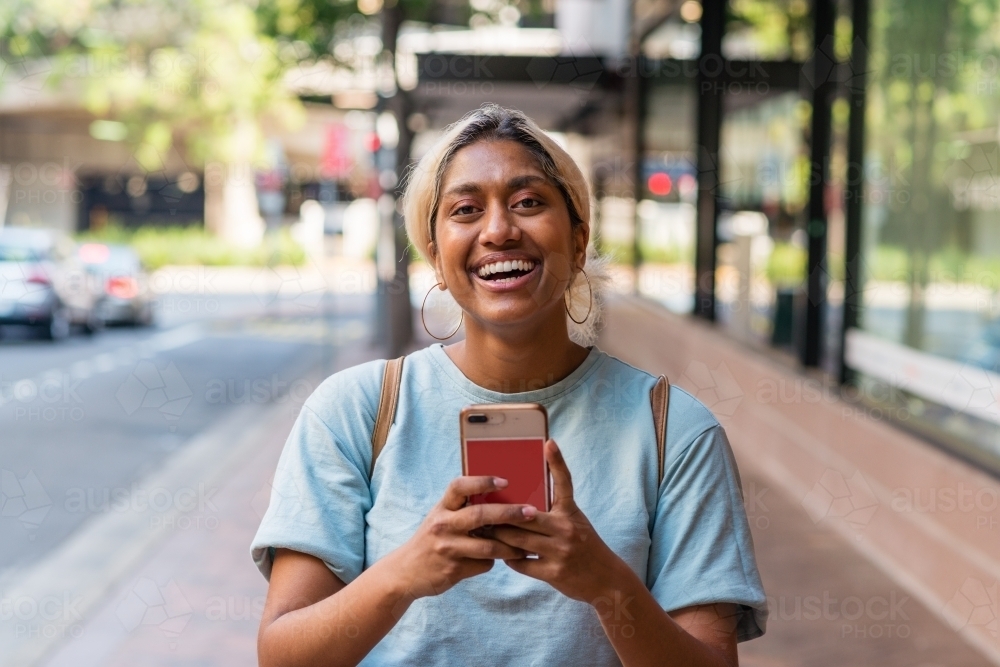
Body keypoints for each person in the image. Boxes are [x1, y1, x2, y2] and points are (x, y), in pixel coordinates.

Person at [251, 104, 768, 667]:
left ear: (577, 241)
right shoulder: (354, 411)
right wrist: (405, 572)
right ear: (436, 257)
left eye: (528, 202)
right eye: (466, 210)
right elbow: (283, 655)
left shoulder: (675, 432)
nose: (498, 231)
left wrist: (604, 582)